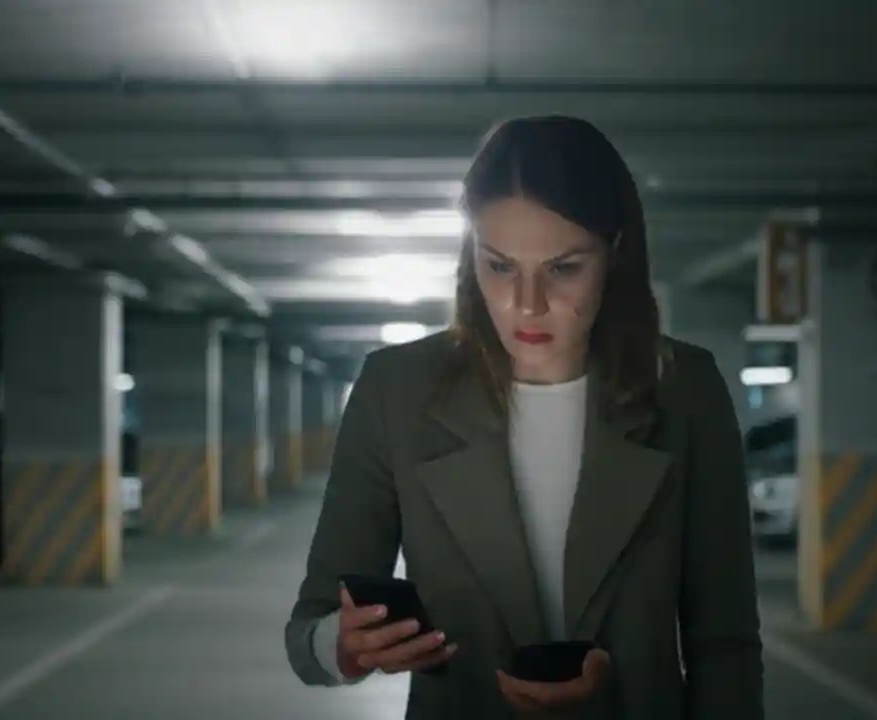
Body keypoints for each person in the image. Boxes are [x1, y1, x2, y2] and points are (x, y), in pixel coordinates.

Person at [285, 115, 764, 719]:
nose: (528, 303)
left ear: (615, 253)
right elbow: (308, 633)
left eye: (564, 268)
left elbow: (726, 647)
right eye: (500, 265)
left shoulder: (686, 391)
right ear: (471, 258)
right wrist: (347, 646)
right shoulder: (396, 391)